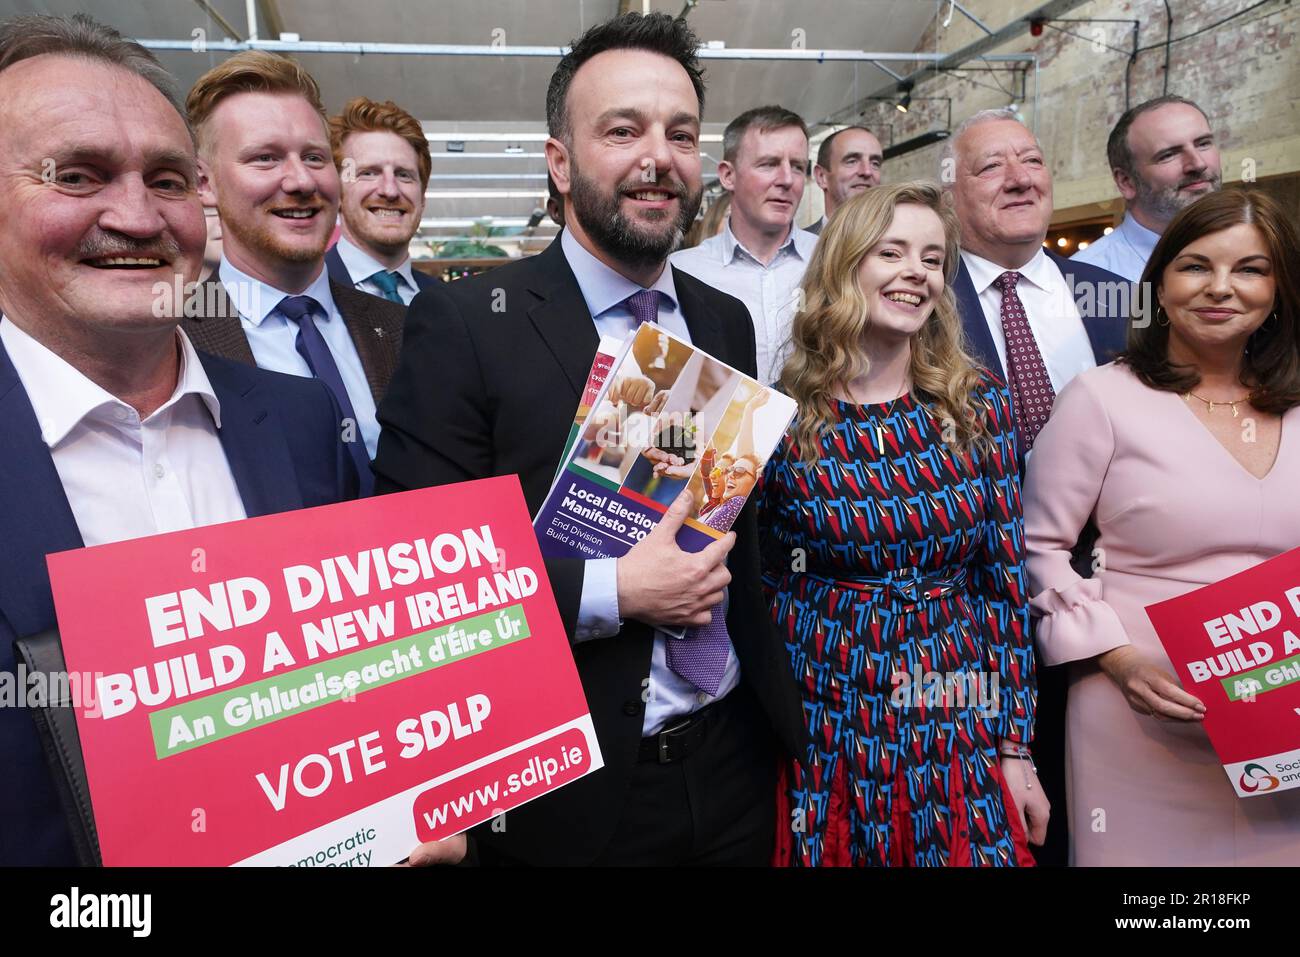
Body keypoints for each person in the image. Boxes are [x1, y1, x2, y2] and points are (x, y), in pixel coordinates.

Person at [372, 11, 804, 866]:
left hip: (732, 760)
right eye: (622, 130)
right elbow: (420, 577)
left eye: (681, 133)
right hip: (568, 792)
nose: (659, 156)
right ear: (560, 164)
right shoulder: (466, 324)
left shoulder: (723, 316)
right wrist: (615, 589)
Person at [0, 13, 371, 866]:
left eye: (167, 180)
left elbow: (359, 688)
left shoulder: (303, 420)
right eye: (78, 175)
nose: (136, 217)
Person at [760, 181, 1046, 866]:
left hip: (952, 706)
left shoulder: (978, 409)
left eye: (931, 258)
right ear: (844, 264)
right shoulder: (777, 417)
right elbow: (759, 581)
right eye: (891, 252)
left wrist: (1015, 746)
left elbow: (1005, 582)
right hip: (828, 709)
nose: (915, 272)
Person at [1023, 189, 1300, 865]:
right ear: (1162, 281)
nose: (1221, 288)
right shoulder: (1103, 398)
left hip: (1281, 721)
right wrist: (1114, 657)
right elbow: (1039, 546)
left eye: (1251, 269)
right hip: (1138, 713)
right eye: (1197, 266)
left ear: (1280, 287)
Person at [179, 51, 406, 495]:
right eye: (265, 158)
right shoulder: (174, 339)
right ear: (204, 183)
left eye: (315, 158)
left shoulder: (403, 327)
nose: (301, 181)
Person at [946, 108, 1129, 457]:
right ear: (948, 196)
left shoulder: (1117, 295)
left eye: (1032, 161)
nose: (1020, 179)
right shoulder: (923, 306)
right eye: (991, 166)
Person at [670, 105, 816, 386]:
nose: (787, 180)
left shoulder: (832, 260)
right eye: (769, 164)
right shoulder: (683, 272)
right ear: (728, 176)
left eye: (797, 166)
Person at [1073, 96, 1221, 282]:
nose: (1198, 164)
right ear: (1126, 181)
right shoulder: (1080, 283)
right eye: (1168, 155)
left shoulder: (1256, 254)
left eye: (1203, 143)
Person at [325, 96, 438, 303]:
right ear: (336, 192)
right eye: (368, 173)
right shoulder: (301, 293)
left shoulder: (445, 300)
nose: (390, 190)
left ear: (422, 198)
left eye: (404, 175)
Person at [807, 125, 883, 235]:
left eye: (875, 163)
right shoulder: (793, 249)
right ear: (821, 176)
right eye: (852, 161)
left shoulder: (899, 243)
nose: (867, 171)